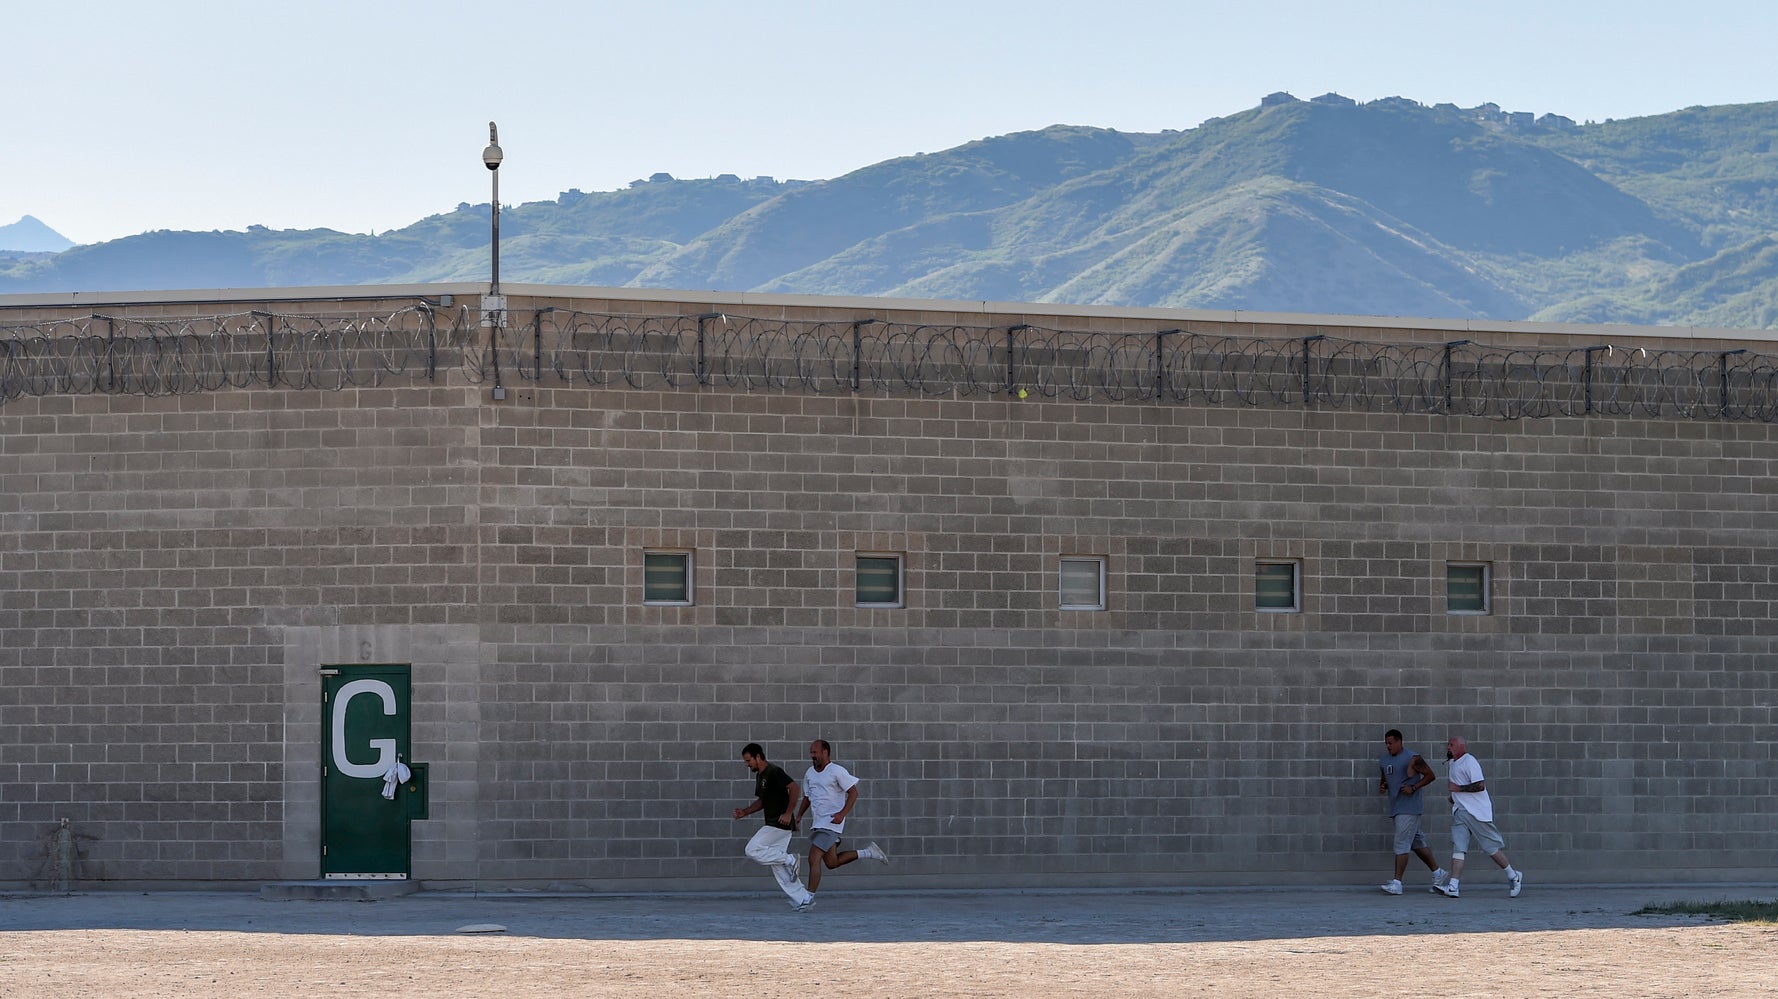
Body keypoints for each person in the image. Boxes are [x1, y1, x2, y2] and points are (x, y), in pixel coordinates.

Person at [794, 739, 889, 900]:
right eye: (811, 752)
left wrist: (842, 814)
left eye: (815, 752)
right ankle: (869, 852)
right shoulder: (809, 773)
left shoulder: (837, 771)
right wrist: (799, 815)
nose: (812, 755)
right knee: (832, 862)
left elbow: (853, 793)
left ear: (825, 752)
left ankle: (807, 898)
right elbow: (807, 797)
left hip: (831, 823)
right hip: (818, 823)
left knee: (813, 857)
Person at [1436, 735, 1524, 898]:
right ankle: (1453, 886)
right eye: (1448, 745)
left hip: (1476, 812)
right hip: (1460, 812)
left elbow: (1480, 785)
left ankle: (1513, 875)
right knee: (1459, 847)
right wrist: (1454, 798)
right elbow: (1458, 789)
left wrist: (1458, 789)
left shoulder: (1469, 761)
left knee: (1490, 847)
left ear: (1462, 747)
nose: (1448, 747)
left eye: (1452, 745)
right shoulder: (1452, 763)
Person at [733, 743, 815, 910]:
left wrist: (788, 813)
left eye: (749, 760)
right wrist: (745, 812)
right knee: (778, 868)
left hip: (779, 823)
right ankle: (804, 899)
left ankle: (790, 859)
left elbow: (794, 788)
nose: (747, 764)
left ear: (758, 757)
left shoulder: (774, 771)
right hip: (776, 824)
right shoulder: (760, 776)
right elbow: (762, 801)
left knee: (752, 849)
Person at [1376, 729, 1448, 895]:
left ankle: (1397, 883)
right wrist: (1383, 786)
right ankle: (1438, 873)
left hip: (1409, 809)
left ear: (1400, 742)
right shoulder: (1384, 760)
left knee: (1401, 844)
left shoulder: (1413, 758)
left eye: (1391, 743)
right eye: (1386, 743)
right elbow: (1386, 776)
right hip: (1396, 807)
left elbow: (1430, 775)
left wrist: (1414, 787)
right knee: (1417, 844)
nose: (1388, 746)